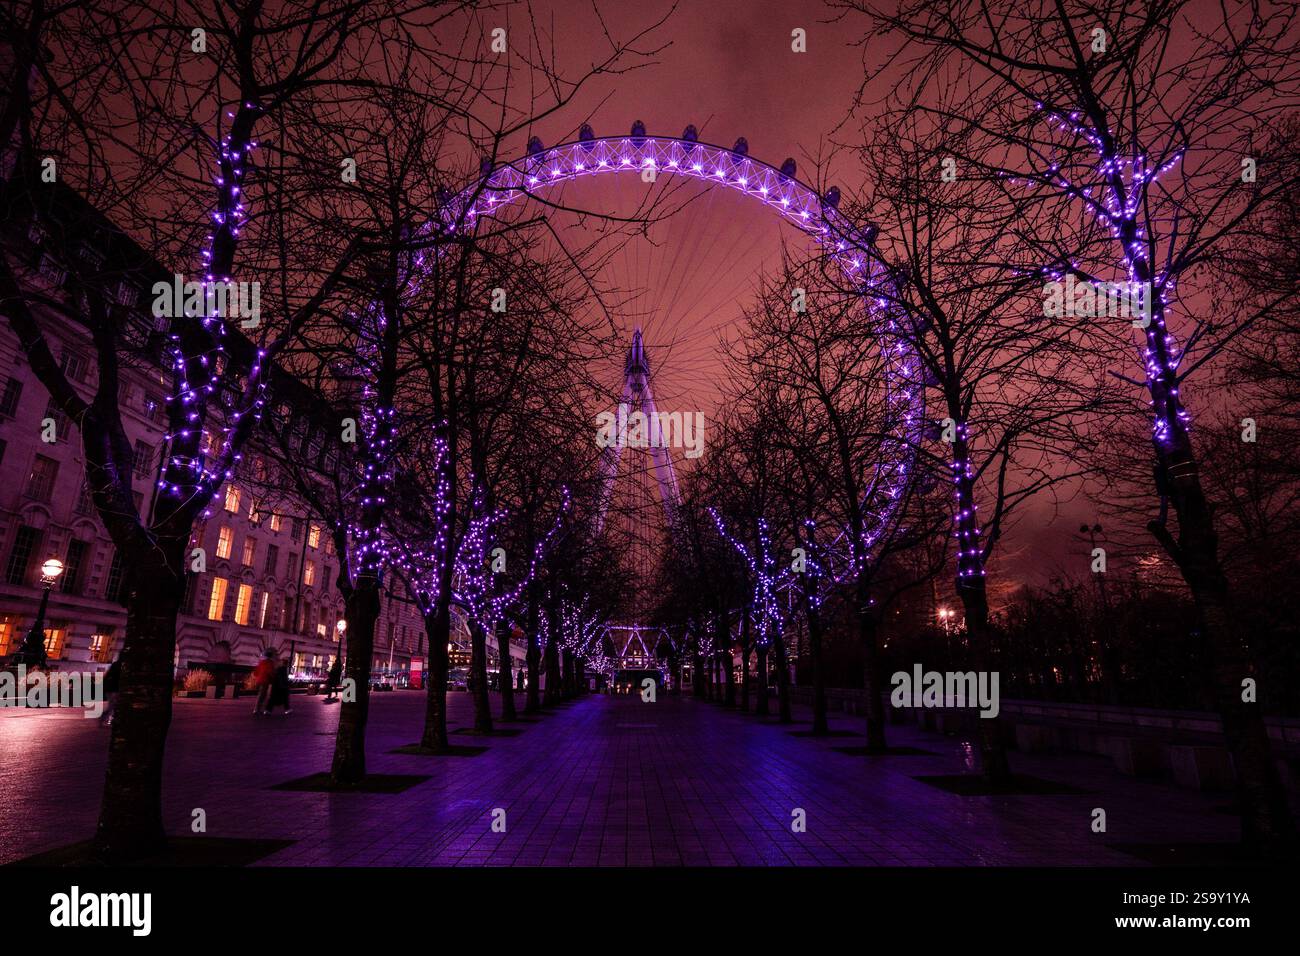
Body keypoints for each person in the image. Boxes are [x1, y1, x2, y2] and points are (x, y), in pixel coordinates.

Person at [251, 649, 276, 715]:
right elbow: (270, 672)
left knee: (261, 694)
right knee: (262, 695)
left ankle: (258, 709)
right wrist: (274, 677)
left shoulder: (261, 662)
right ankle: (256, 709)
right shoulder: (270, 663)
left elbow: (256, 672)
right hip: (265, 680)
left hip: (259, 680)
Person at [100, 656, 121, 726]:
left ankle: (104, 718)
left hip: (110, 688)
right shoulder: (119, 665)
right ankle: (105, 719)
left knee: (112, 705)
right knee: (112, 705)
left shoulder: (115, 664)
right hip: (114, 688)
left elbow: (106, 675)